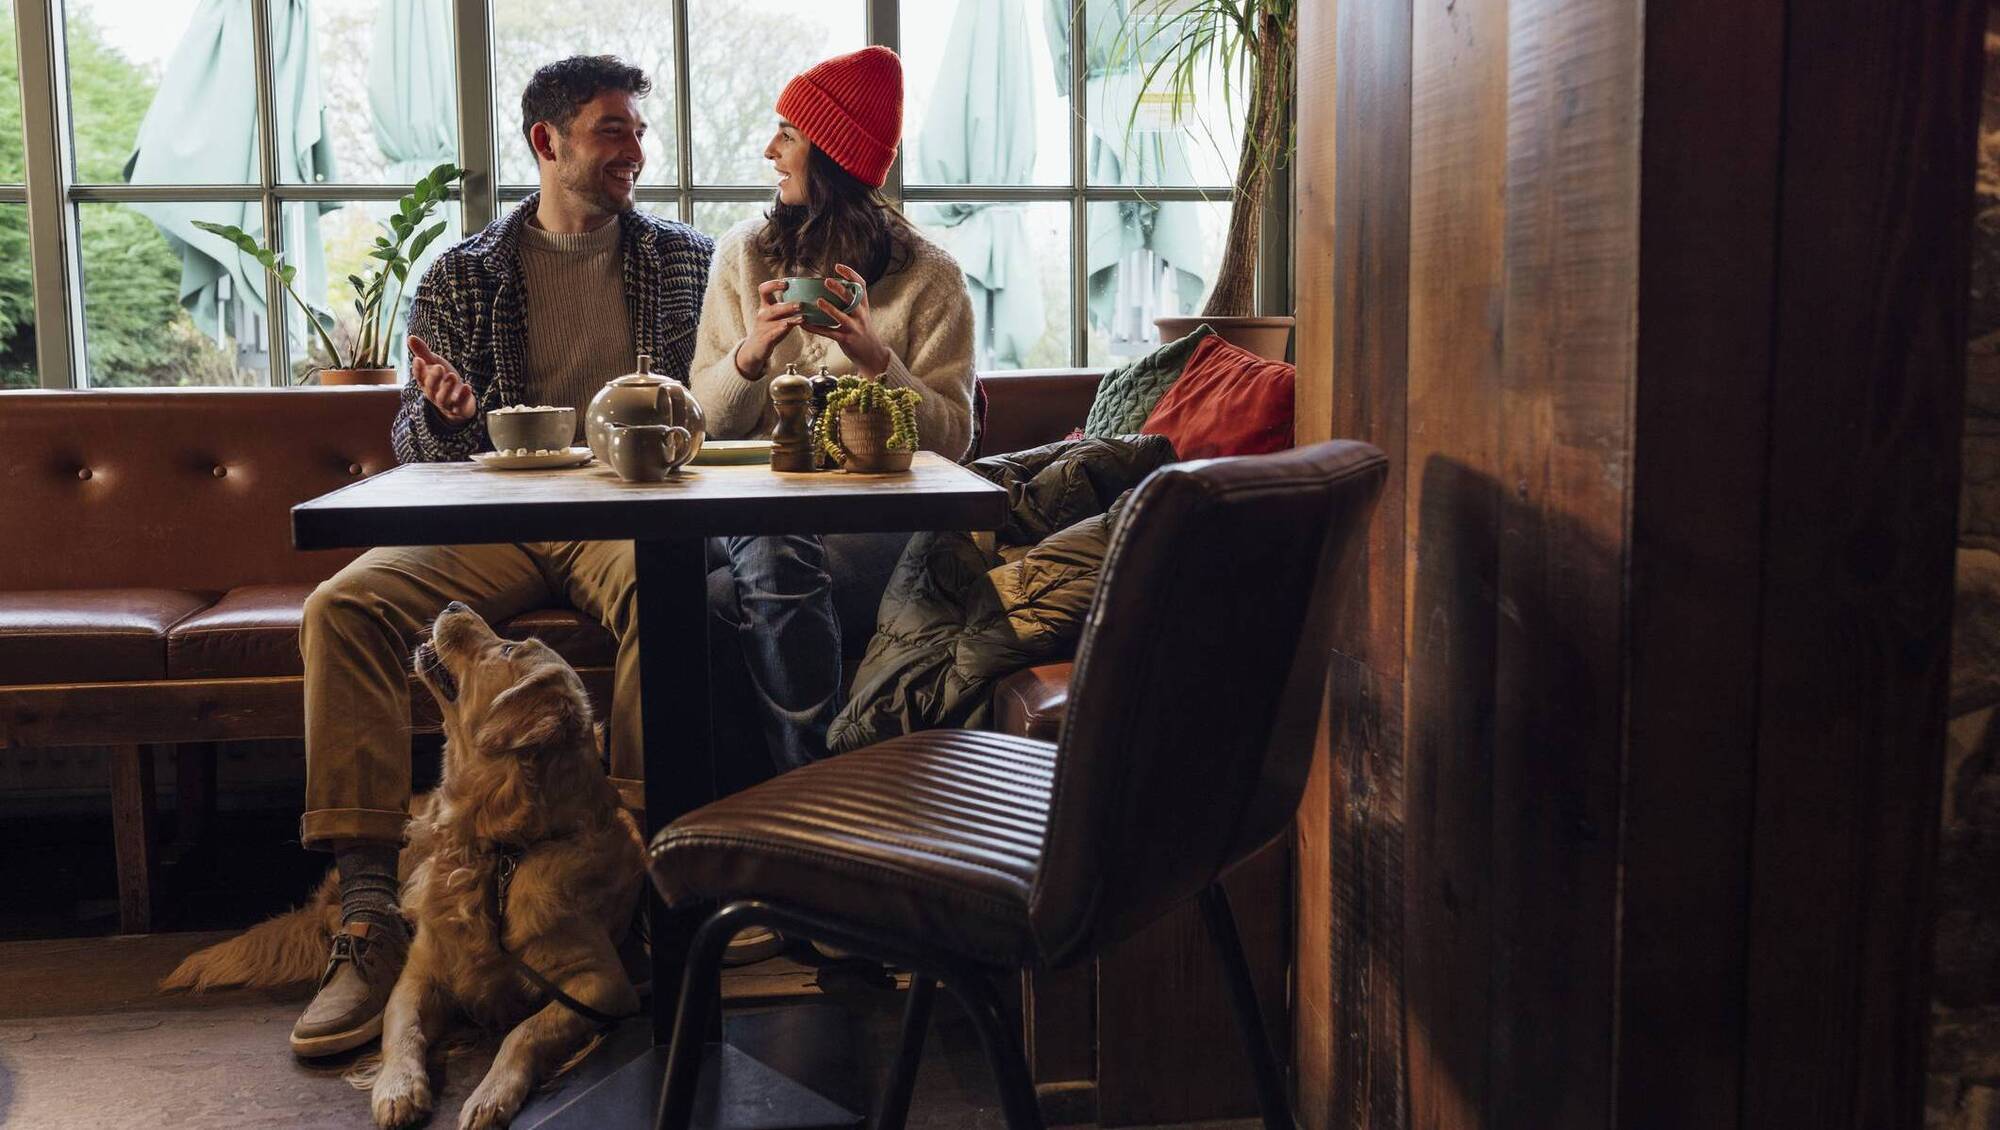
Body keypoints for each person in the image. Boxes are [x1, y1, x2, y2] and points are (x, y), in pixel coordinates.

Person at [289, 55, 827, 1058]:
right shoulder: (461, 273)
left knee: (669, 599)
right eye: (612, 130)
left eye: (635, 131)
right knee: (341, 606)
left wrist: (751, 361)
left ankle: (625, 891)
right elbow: (418, 439)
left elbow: (717, 406)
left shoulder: (684, 261)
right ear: (547, 143)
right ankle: (368, 916)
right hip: (489, 513)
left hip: (623, 509)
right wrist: (442, 415)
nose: (634, 150)